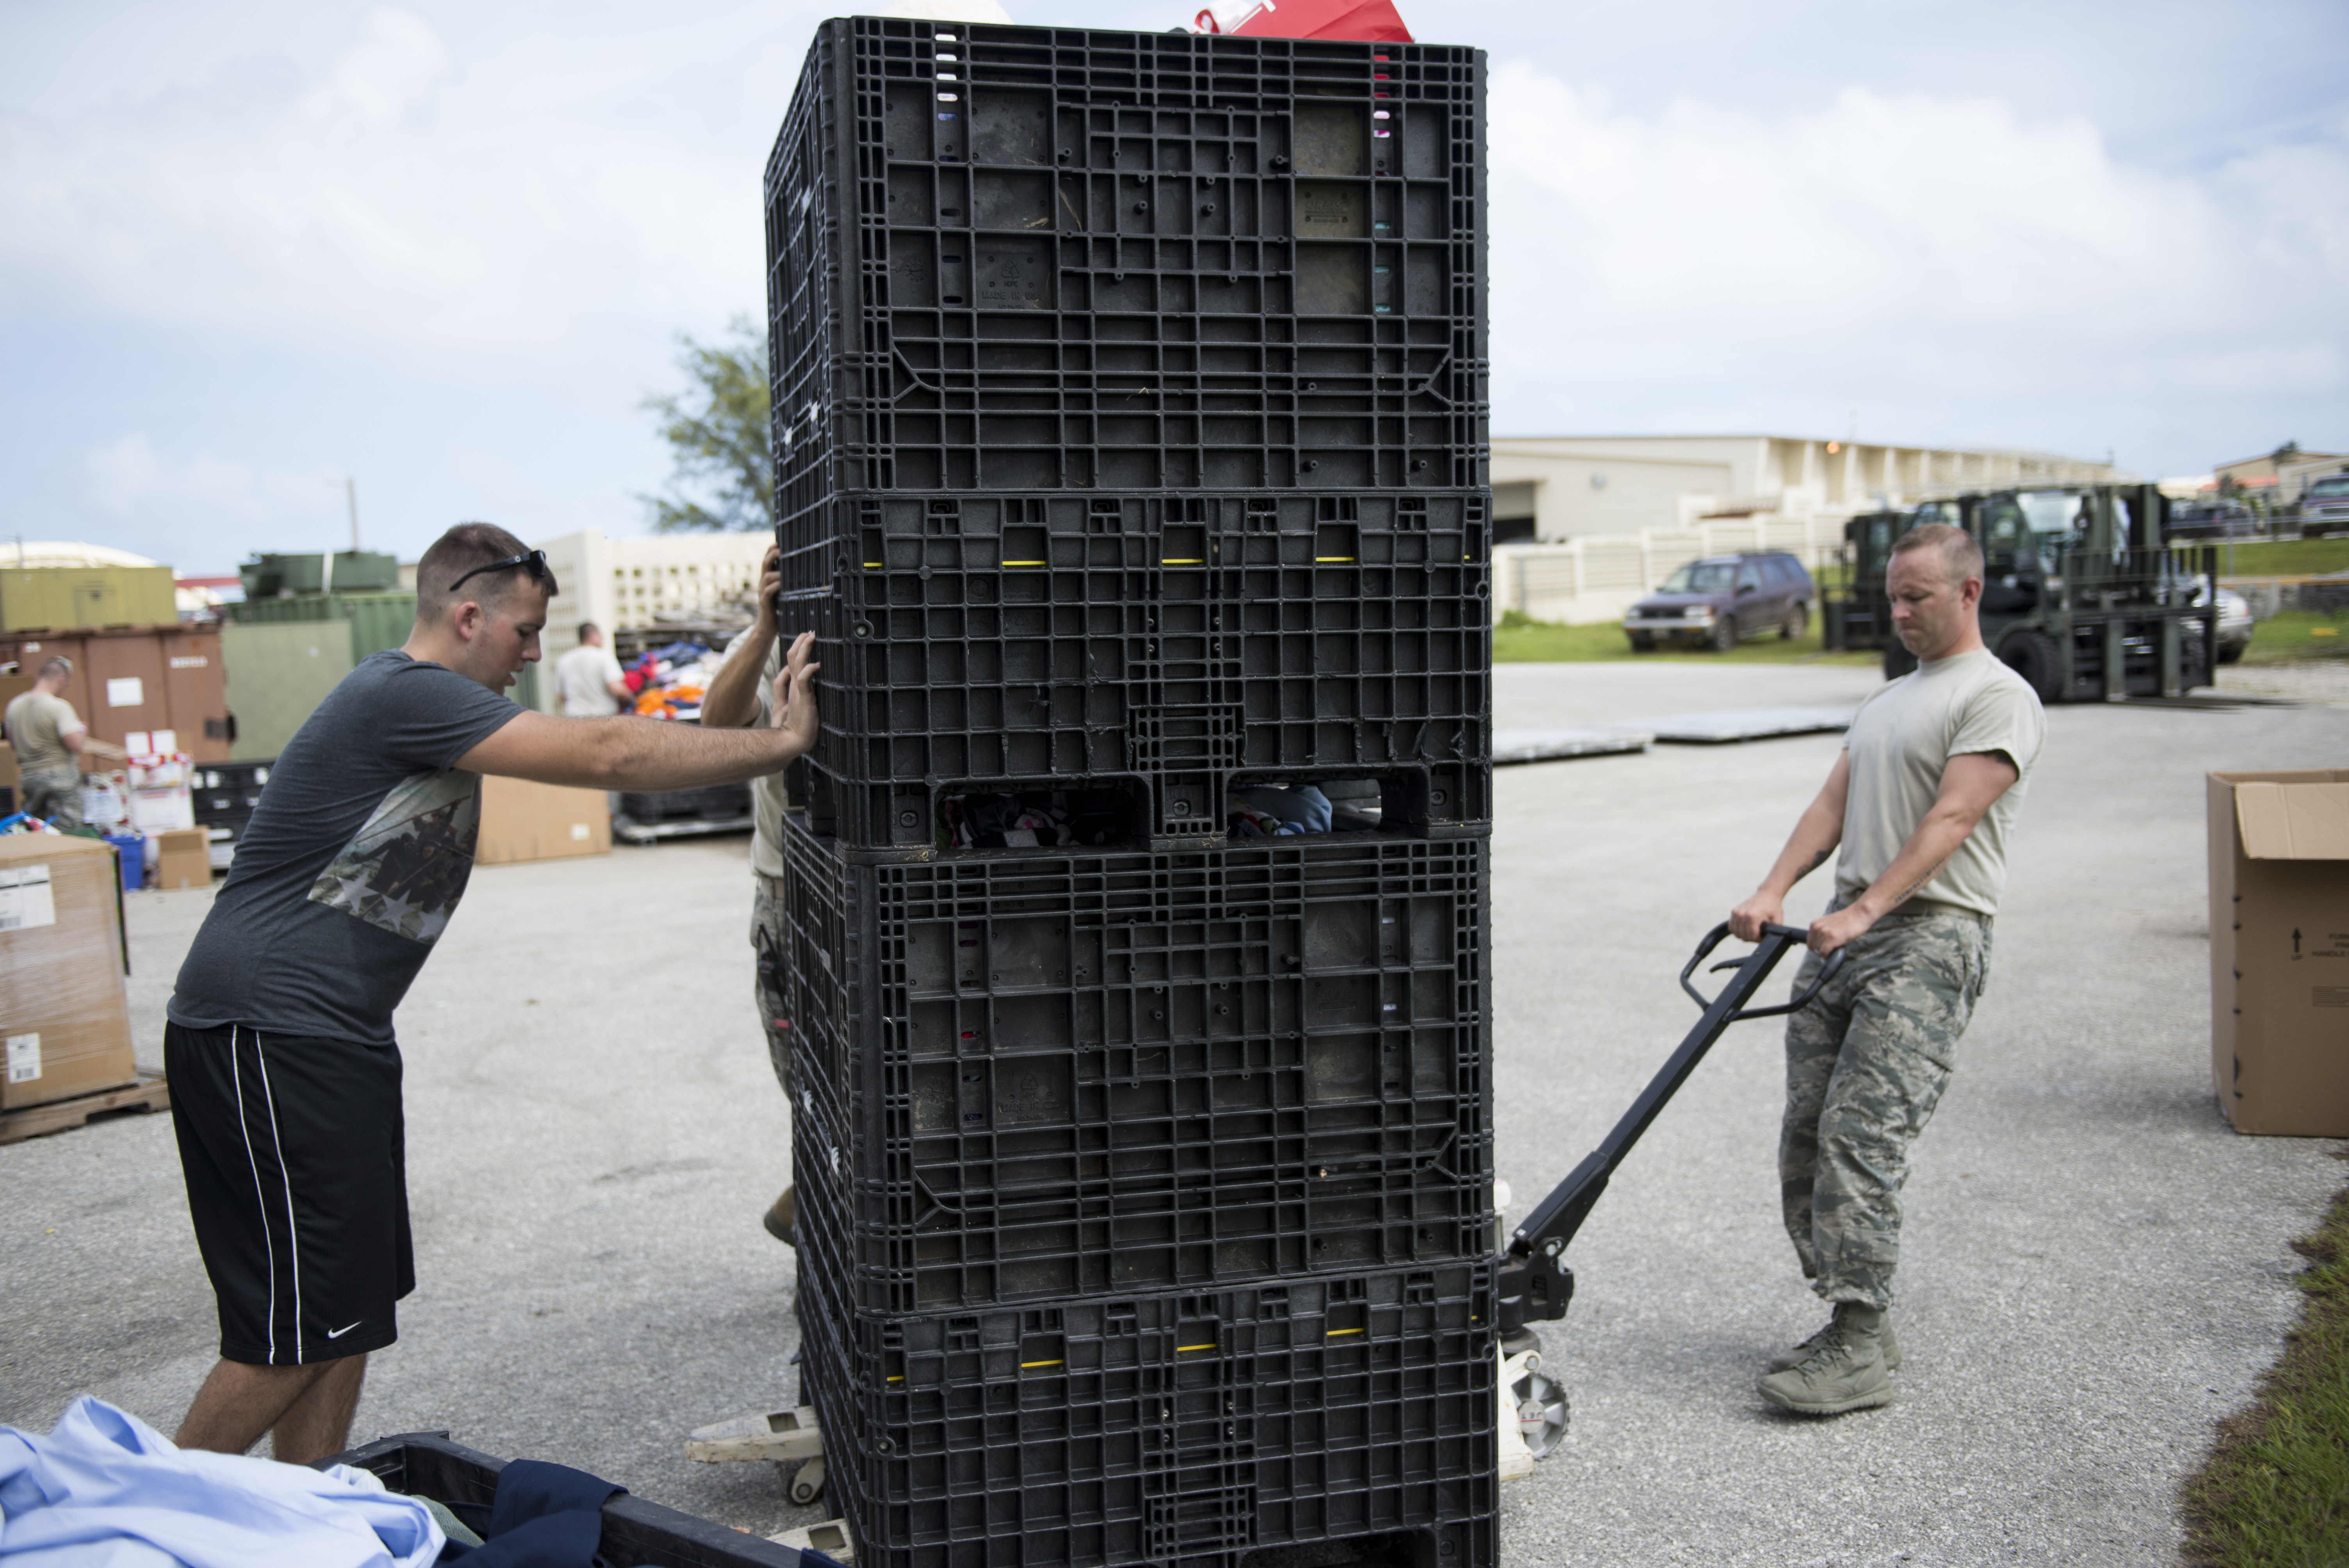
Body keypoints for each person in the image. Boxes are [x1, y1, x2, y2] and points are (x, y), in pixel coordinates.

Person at [160, 522, 819, 1464]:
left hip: (334, 1033)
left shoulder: (428, 704)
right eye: (523, 632)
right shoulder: (404, 692)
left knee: (352, 1311)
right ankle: (132, 1518)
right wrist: (785, 738)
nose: (530, 653)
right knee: (290, 1332)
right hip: (266, 1028)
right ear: (468, 616)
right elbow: (608, 755)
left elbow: (646, 743)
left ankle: (303, 1516)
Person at [1727, 522, 2044, 1417]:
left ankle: (1860, 1337)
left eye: (1918, 596)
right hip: (1842, 937)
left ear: (1968, 592)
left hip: (1929, 937)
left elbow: (1953, 819)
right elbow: (1832, 802)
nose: (1900, 611)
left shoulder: (1996, 695)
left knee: (1862, 1135)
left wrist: (1867, 908)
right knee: (1806, 1134)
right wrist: (1772, 887)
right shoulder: (1886, 701)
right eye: (1893, 597)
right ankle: (1849, 1313)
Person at [699, 543, 807, 1248]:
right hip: (788, 895)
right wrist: (765, 628)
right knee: (807, 1085)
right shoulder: (773, 636)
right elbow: (715, 726)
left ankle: (816, 1204)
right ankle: (818, 1210)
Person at [5, 657, 91, 828]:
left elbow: (13, 744)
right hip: (60, 777)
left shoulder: (14, 706)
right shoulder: (59, 707)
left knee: (35, 827)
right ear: (61, 679)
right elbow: (75, 744)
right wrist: (82, 731)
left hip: (29, 777)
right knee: (68, 829)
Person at [554, 622, 629, 718]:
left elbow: (561, 696)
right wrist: (631, 697)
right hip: (603, 718)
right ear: (593, 636)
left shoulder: (564, 660)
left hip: (575, 719)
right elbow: (616, 687)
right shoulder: (604, 656)